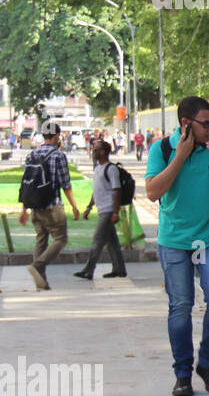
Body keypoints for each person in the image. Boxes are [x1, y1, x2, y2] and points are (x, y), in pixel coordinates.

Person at [145, 96, 209, 396]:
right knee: (181, 307)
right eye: (206, 123)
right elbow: (152, 192)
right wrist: (181, 155)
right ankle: (182, 373)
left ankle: (207, 362)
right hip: (175, 240)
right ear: (186, 124)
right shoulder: (161, 149)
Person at [18, 119, 82, 290]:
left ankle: (41, 281)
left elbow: (26, 182)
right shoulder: (58, 155)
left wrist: (24, 208)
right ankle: (38, 265)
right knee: (61, 239)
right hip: (52, 205)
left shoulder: (32, 155)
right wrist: (75, 207)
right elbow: (65, 184)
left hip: (35, 205)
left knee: (41, 239)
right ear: (56, 136)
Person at [75, 140, 127, 280]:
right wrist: (89, 207)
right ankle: (119, 269)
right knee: (112, 242)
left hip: (109, 210)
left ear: (103, 152)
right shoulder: (98, 168)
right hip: (101, 209)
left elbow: (117, 191)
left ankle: (88, 270)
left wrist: (115, 212)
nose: (93, 152)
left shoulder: (111, 169)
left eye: (95, 150)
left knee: (97, 240)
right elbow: (96, 191)